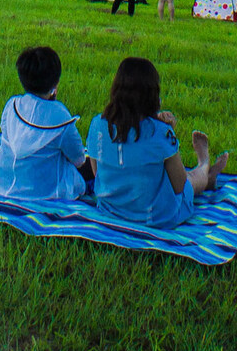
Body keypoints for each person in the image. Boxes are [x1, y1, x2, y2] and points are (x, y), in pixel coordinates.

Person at [85, 58, 226, 226]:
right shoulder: (159, 132)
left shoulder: (97, 125)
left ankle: (206, 177)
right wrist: (169, 135)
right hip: (155, 216)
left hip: (110, 209)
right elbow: (179, 185)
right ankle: (204, 164)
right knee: (190, 179)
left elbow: (97, 173)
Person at [0, 46, 94, 202]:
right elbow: (78, 159)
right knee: (93, 167)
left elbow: (5, 133)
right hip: (43, 192)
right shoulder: (61, 116)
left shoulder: (12, 105)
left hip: (0, 182)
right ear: (55, 81)